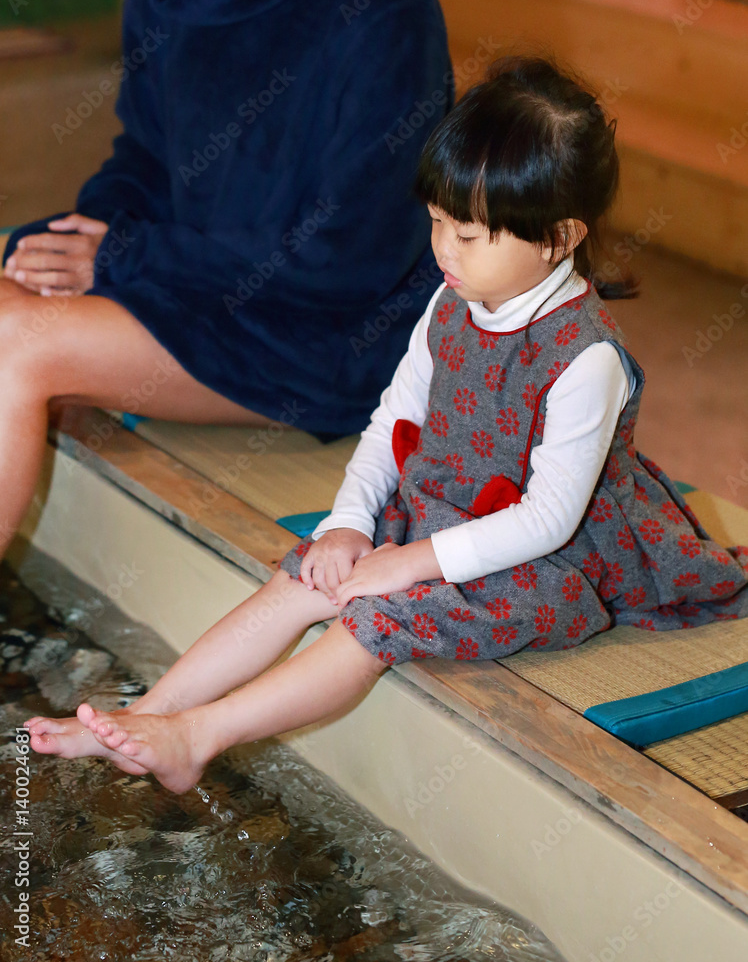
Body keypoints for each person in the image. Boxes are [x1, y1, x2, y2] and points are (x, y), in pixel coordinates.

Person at [25, 56, 748, 793]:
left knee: (373, 621)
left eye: (470, 235)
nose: (444, 250)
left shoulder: (586, 359)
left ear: (559, 238)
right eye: (437, 223)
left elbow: (548, 521)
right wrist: (347, 523)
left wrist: (407, 562)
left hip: (552, 559)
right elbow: (394, 417)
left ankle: (195, 738)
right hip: (445, 511)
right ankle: (147, 714)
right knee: (305, 578)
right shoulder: (448, 303)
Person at [0, 0, 451, 559]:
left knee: (21, 344)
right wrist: (78, 237)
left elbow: (355, 256)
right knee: (14, 294)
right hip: (198, 285)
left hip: (331, 337)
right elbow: (146, 158)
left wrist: (129, 256)